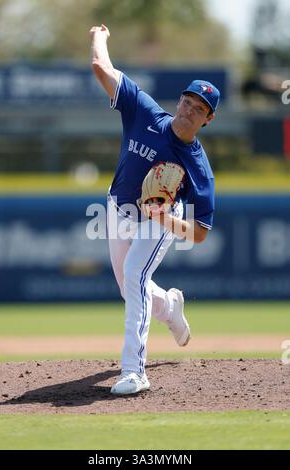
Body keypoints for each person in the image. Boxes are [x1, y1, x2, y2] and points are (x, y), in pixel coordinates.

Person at [90, 24, 220, 395]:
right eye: (189, 103)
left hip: (157, 219)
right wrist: (100, 34)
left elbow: (200, 233)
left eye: (200, 110)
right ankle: (170, 304)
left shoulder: (198, 168)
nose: (190, 112)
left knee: (134, 274)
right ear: (179, 100)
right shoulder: (144, 111)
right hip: (117, 208)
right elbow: (101, 67)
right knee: (131, 288)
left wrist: (168, 219)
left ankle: (134, 372)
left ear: (208, 120)